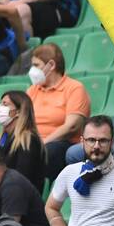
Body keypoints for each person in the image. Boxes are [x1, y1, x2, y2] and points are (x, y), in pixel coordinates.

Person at [26, 43, 89, 175]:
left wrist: (43, 143)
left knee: (49, 151)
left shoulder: (74, 88)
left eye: (36, 65)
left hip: (61, 143)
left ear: (51, 65)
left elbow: (71, 127)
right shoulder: (32, 91)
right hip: (34, 143)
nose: (32, 70)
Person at [0, 90, 47, 191]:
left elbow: (23, 178)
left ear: (18, 112)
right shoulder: (0, 138)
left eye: (5, 104)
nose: (0, 108)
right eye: (0, 103)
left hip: (20, 199)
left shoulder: (28, 140)